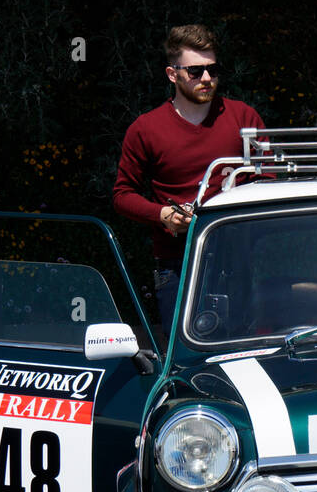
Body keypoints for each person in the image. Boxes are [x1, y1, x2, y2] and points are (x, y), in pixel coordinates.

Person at [112, 24, 265, 325]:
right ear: (173, 74)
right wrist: (164, 214)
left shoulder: (244, 117)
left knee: (243, 355)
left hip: (237, 261)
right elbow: (122, 195)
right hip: (176, 266)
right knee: (184, 361)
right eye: (195, 72)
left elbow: (271, 178)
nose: (207, 79)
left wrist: (238, 202)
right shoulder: (146, 128)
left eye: (213, 69)